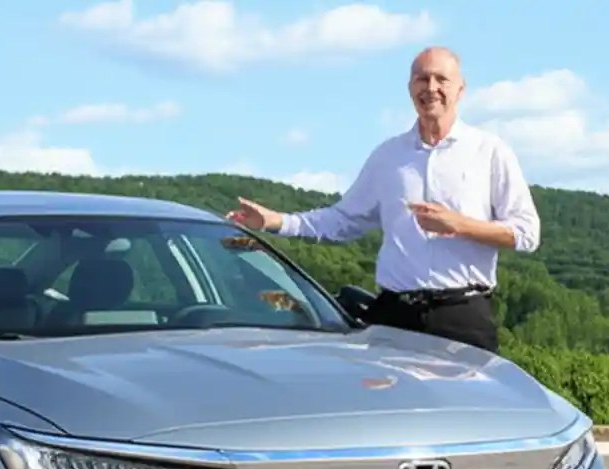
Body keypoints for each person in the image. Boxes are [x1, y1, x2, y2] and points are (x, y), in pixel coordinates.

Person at [225, 46, 540, 354]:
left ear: (460, 89)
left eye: (441, 80)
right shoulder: (388, 156)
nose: (431, 88)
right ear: (410, 88)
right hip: (395, 316)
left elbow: (527, 234)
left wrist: (460, 225)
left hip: (461, 316)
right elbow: (343, 220)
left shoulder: (489, 152)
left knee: (468, 407)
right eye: (422, 79)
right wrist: (277, 221)